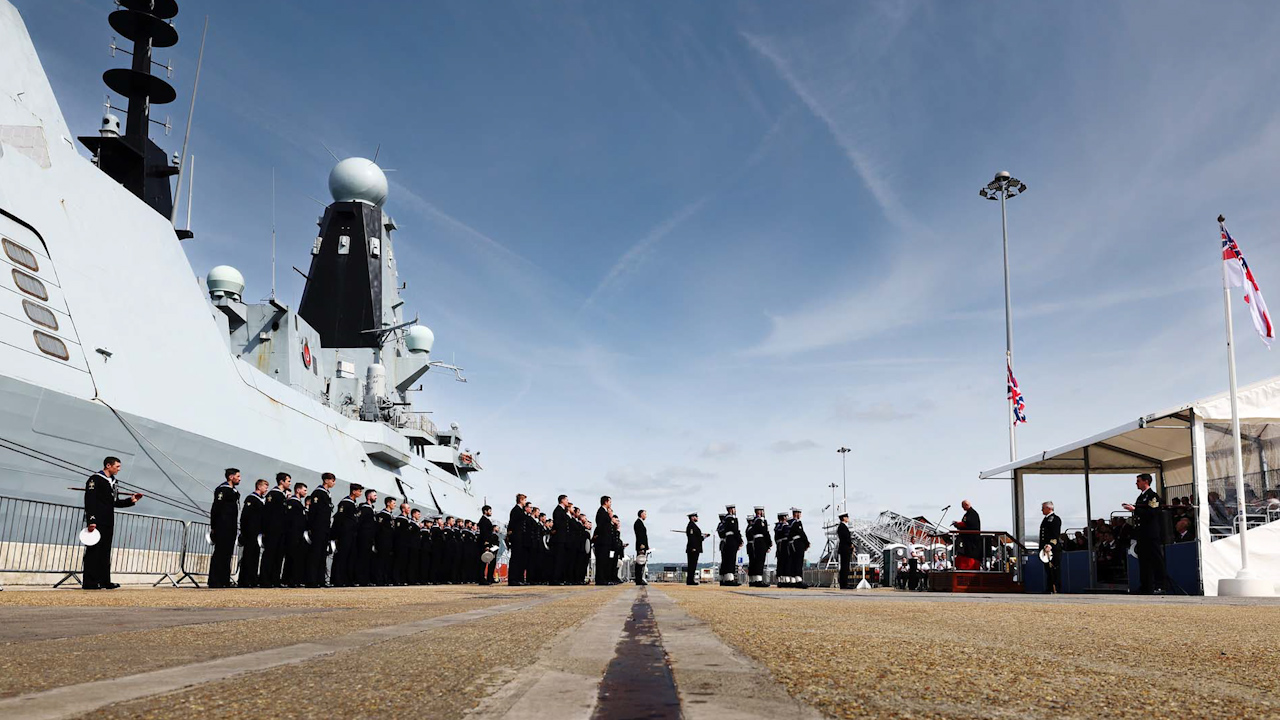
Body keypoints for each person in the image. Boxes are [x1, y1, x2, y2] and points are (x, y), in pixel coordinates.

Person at [81, 456, 142, 590]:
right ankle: (89, 582)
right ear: (108, 466)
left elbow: (114, 502)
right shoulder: (95, 479)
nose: (119, 469)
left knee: (105, 551)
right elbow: (89, 500)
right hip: (97, 521)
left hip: (108, 521)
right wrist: (91, 520)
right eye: (117, 466)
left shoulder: (114, 481)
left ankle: (104, 581)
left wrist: (130, 501)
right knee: (94, 551)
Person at [1123, 473, 1166, 594]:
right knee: (1143, 560)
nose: (1136, 483)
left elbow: (1152, 513)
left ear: (1146, 481)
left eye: (1138, 481)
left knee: (1156, 559)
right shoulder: (1140, 497)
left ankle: (1160, 585)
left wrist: (1135, 509)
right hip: (1142, 534)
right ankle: (1146, 586)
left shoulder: (1153, 496)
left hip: (1151, 533)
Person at [208, 468, 241, 588]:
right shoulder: (222, 490)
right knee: (220, 553)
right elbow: (216, 508)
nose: (239, 478)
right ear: (231, 477)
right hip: (222, 525)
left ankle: (224, 580)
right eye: (237, 476)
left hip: (231, 526)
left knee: (228, 553)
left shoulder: (233, 491)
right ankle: (214, 580)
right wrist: (214, 526)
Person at [259, 473, 291, 588]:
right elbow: (267, 514)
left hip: (281, 530)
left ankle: (275, 579)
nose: (289, 483)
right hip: (273, 530)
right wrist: (266, 530)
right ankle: (265, 580)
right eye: (288, 481)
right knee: (270, 555)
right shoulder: (273, 494)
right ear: (281, 482)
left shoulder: (282, 496)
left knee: (278, 556)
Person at [305, 473, 335, 588]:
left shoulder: (327, 494)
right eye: (332, 480)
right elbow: (314, 512)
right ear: (326, 480)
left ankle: (320, 580)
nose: (333, 483)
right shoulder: (318, 493)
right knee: (315, 554)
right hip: (318, 528)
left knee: (323, 554)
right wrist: (312, 528)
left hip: (325, 528)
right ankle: (311, 580)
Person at [237, 479, 268, 588]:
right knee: (248, 556)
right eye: (265, 486)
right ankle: (244, 580)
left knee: (255, 556)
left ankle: (252, 579)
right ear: (259, 487)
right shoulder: (251, 499)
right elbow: (245, 516)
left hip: (257, 533)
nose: (266, 489)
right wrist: (244, 531)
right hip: (250, 531)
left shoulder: (262, 500)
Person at [330, 483, 361, 587]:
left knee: (351, 557)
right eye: (359, 491)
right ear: (353, 491)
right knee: (342, 556)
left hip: (352, 534)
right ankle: (338, 580)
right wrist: (336, 535)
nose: (360, 493)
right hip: (345, 534)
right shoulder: (345, 503)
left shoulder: (353, 503)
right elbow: (339, 518)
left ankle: (347, 579)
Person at [282, 482, 308, 587]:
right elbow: (291, 520)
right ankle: (288, 580)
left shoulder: (298, 503)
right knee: (291, 557)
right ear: (298, 490)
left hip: (298, 535)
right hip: (293, 534)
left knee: (296, 557)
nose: (306, 492)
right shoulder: (293, 502)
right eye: (304, 490)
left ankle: (293, 579)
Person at [355, 489, 378, 586]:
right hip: (363, 537)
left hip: (370, 538)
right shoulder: (364, 508)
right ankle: (360, 580)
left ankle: (366, 579)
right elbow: (359, 522)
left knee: (368, 559)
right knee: (361, 558)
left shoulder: (372, 509)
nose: (376, 497)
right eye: (374, 495)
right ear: (368, 497)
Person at [745, 506, 772, 588]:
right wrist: (769, 543)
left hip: (757, 542)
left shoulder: (755, 522)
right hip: (760, 542)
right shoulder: (759, 521)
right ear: (759, 512)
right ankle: (758, 579)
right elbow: (765, 532)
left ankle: (755, 579)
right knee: (760, 561)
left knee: (757, 561)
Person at [1039, 501, 1062, 594]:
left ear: (1049, 508)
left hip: (1053, 549)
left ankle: (1055, 587)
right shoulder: (1046, 519)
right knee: (1048, 570)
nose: (1042, 510)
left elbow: (1055, 534)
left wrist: (1050, 545)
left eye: (1043, 508)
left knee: (1054, 569)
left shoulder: (1055, 519)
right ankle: (1049, 587)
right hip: (1045, 548)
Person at [951, 500, 981, 570]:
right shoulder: (967, 514)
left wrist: (960, 524)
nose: (963, 508)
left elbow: (971, 525)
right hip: (966, 538)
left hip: (971, 540)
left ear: (966, 505)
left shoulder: (973, 514)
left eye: (963, 506)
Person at [786, 507, 810, 588]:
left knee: (793, 561)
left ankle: (793, 580)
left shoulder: (789, 523)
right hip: (797, 543)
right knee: (798, 561)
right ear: (796, 514)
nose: (800, 515)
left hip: (792, 544)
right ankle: (798, 579)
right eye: (799, 513)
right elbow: (801, 533)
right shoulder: (796, 523)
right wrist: (807, 543)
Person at [375, 497, 396, 585]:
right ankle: (379, 580)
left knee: (387, 561)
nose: (395, 505)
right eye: (393, 503)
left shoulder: (390, 515)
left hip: (389, 541)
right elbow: (378, 528)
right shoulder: (382, 515)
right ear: (388, 503)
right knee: (381, 561)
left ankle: (385, 579)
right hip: (382, 541)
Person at [593, 496, 615, 585]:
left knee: (604, 560)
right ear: (605, 502)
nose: (611, 503)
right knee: (601, 561)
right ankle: (600, 579)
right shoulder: (601, 512)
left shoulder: (604, 512)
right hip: (602, 541)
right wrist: (610, 517)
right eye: (610, 502)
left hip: (606, 541)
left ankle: (604, 578)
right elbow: (602, 527)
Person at [718, 504, 741, 586]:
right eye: (734, 509)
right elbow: (735, 530)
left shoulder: (724, 522)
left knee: (726, 560)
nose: (735, 510)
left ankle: (725, 578)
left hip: (727, 541)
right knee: (730, 560)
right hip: (731, 540)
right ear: (731, 510)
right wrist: (739, 540)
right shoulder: (730, 519)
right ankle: (729, 579)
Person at [508, 494, 528, 586]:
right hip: (517, 537)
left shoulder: (521, 511)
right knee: (515, 558)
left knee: (520, 559)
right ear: (521, 500)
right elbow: (512, 524)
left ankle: (519, 578)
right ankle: (512, 579)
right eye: (524, 500)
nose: (525, 502)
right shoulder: (516, 510)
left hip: (521, 538)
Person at [552, 495, 572, 584]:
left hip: (564, 539)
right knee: (558, 559)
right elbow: (559, 524)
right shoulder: (558, 510)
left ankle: (560, 578)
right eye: (566, 499)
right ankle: (555, 579)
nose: (568, 501)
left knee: (562, 560)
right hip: (560, 538)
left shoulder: (563, 511)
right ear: (562, 500)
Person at [685, 512, 708, 585]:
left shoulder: (693, 526)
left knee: (693, 565)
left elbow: (697, 538)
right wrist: (693, 547)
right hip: (693, 548)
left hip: (695, 547)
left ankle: (690, 579)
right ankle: (690, 580)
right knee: (692, 564)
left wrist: (704, 537)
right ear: (692, 517)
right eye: (696, 516)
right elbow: (692, 538)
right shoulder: (691, 526)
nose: (697, 518)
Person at [479, 505, 498, 585]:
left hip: (489, 543)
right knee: (483, 562)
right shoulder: (483, 520)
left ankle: (489, 578)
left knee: (489, 560)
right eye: (490, 511)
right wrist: (486, 544)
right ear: (485, 511)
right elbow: (484, 533)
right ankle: (481, 579)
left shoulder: (486, 520)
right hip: (485, 543)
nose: (491, 512)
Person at [836, 512, 853, 590]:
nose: (848, 518)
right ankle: (844, 584)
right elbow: (846, 538)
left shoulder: (842, 527)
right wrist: (851, 544)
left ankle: (844, 583)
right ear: (844, 518)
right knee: (845, 567)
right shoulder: (842, 527)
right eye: (847, 517)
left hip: (844, 548)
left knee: (845, 566)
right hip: (845, 548)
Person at [773, 512, 791, 588]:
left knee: (780, 562)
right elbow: (788, 535)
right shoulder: (785, 525)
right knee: (786, 561)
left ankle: (780, 579)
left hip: (779, 545)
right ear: (784, 517)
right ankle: (785, 579)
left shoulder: (777, 526)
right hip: (784, 544)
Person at [633, 509, 649, 586]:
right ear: (641, 514)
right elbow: (640, 536)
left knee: (642, 563)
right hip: (641, 545)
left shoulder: (640, 523)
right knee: (640, 563)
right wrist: (642, 545)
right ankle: (638, 579)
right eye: (645, 514)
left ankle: (640, 578)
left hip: (643, 545)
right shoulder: (638, 523)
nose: (646, 515)